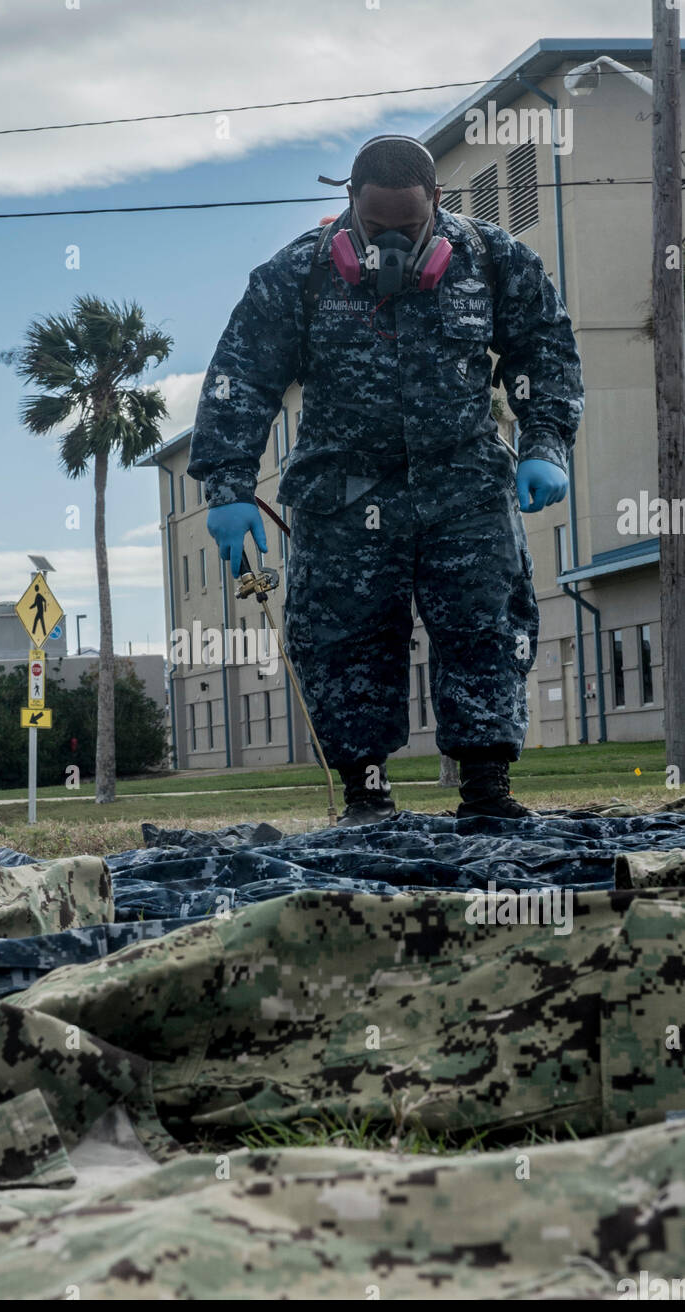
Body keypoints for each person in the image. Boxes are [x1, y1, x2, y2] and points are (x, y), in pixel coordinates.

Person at [187, 134, 583, 824]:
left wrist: (543, 441)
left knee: (485, 628)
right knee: (344, 639)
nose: (390, 243)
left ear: (436, 202)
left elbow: (544, 349)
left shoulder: (493, 261)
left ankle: (486, 792)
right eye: (375, 230)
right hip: (342, 497)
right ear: (348, 203)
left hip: (463, 489)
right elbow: (241, 380)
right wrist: (226, 485)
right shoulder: (297, 275)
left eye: (408, 227)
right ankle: (365, 796)